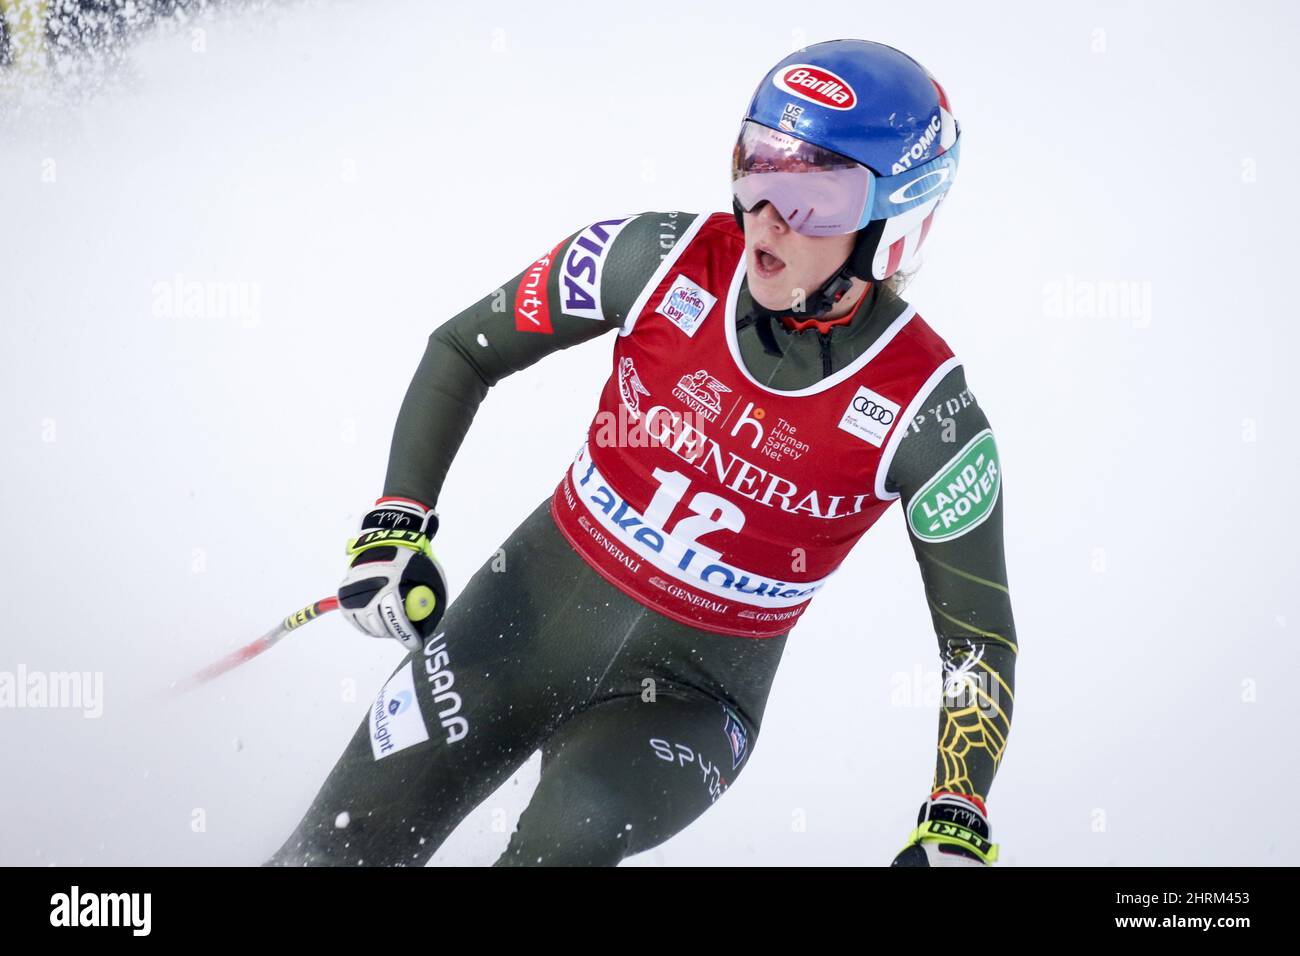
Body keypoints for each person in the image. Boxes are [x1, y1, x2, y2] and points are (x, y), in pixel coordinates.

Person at [267, 38, 1017, 868]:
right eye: (758, 169)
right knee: (330, 853)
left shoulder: (930, 413)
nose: (768, 215)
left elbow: (978, 638)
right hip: (515, 627)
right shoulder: (653, 257)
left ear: (893, 221)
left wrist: (956, 810)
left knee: (568, 833)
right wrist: (395, 522)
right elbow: (463, 350)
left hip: (688, 707)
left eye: (814, 198)